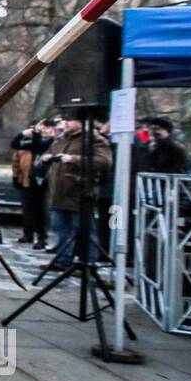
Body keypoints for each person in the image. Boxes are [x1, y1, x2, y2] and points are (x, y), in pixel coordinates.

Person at [42, 114, 112, 269]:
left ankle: (87, 262)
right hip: (59, 191)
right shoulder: (61, 139)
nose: (65, 123)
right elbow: (50, 153)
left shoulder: (94, 139)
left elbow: (104, 161)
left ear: (82, 122)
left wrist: (73, 159)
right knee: (61, 230)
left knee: (84, 229)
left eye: (70, 120)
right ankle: (62, 260)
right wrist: (46, 158)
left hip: (79, 191)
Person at [11, 119, 53, 247]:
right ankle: (28, 234)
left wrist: (37, 134)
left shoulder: (51, 141)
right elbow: (15, 145)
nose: (43, 130)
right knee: (28, 209)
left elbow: (39, 148)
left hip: (43, 180)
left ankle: (41, 237)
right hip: (29, 179)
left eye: (46, 128)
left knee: (40, 210)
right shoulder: (32, 141)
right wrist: (25, 133)